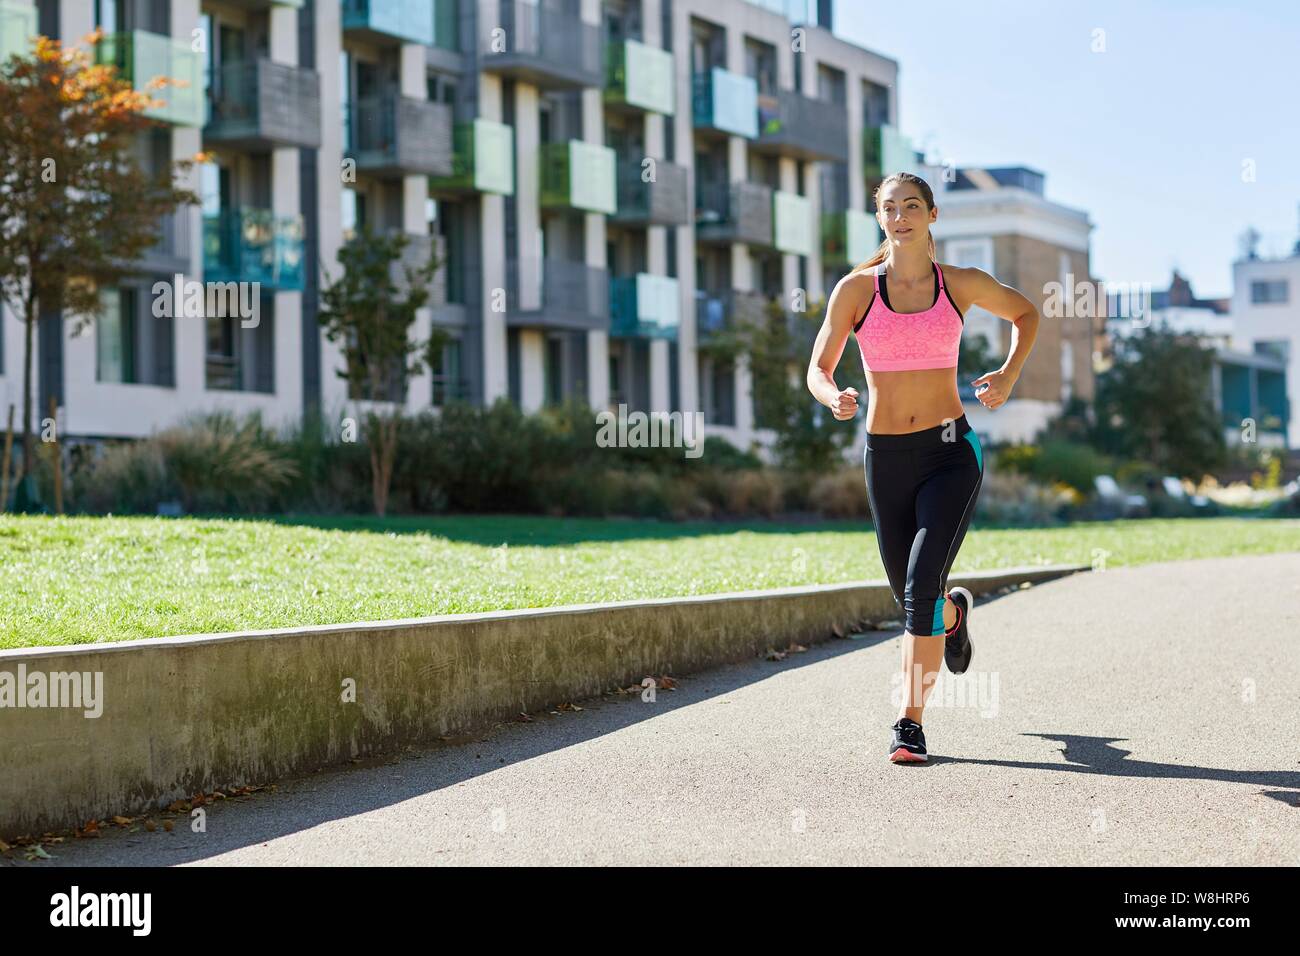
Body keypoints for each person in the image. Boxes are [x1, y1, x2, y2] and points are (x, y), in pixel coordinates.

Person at [806, 171, 1040, 763]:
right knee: (914, 596)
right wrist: (833, 396)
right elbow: (818, 367)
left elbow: (1026, 314)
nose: (902, 216)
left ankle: (908, 723)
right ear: (880, 217)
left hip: (949, 453)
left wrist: (1009, 376)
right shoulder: (856, 291)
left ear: (932, 215)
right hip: (886, 459)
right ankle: (954, 615)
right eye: (891, 208)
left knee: (917, 591)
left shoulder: (959, 284)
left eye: (913, 205)